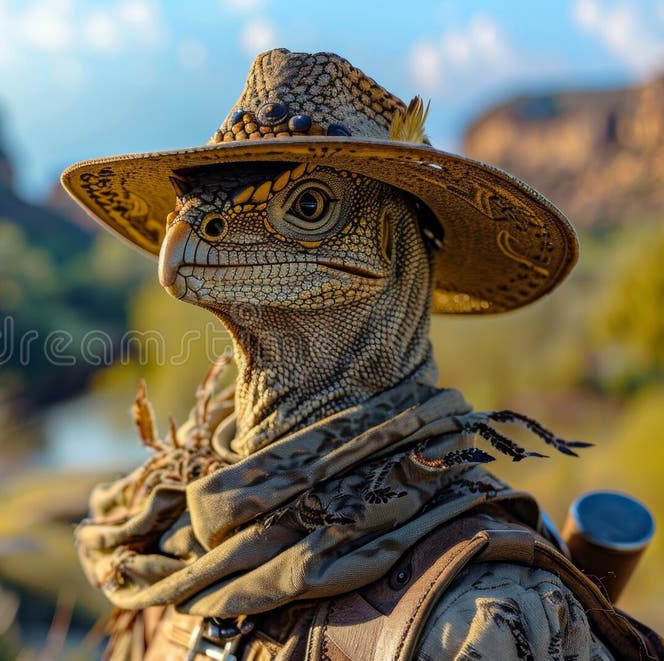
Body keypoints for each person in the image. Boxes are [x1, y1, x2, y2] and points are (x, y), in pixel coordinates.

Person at [62, 49, 662, 660]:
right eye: (187, 205)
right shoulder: (163, 528)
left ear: (389, 244)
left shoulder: (483, 619)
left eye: (310, 207)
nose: (195, 227)